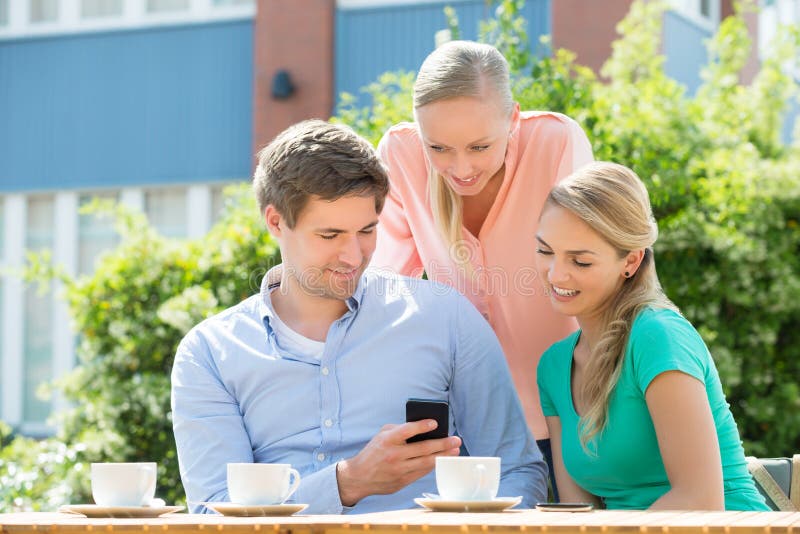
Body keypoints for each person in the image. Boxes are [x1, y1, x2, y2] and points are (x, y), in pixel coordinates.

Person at [171, 119, 547, 515]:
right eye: (330, 236)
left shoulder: (445, 318)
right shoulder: (210, 353)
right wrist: (348, 482)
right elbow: (212, 514)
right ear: (276, 222)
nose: (353, 256)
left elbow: (519, 470)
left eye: (367, 230)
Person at [371, 40, 594, 476]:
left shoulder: (555, 144)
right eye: (438, 149)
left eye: (479, 147)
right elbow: (383, 288)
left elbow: (597, 280)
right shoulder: (400, 154)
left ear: (512, 119)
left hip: (566, 416)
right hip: (460, 428)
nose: (461, 169)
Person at [534, 161, 769, 510]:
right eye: (545, 251)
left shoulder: (657, 337)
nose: (556, 274)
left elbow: (700, 501)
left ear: (630, 261)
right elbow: (578, 514)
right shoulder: (553, 366)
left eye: (580, 262)